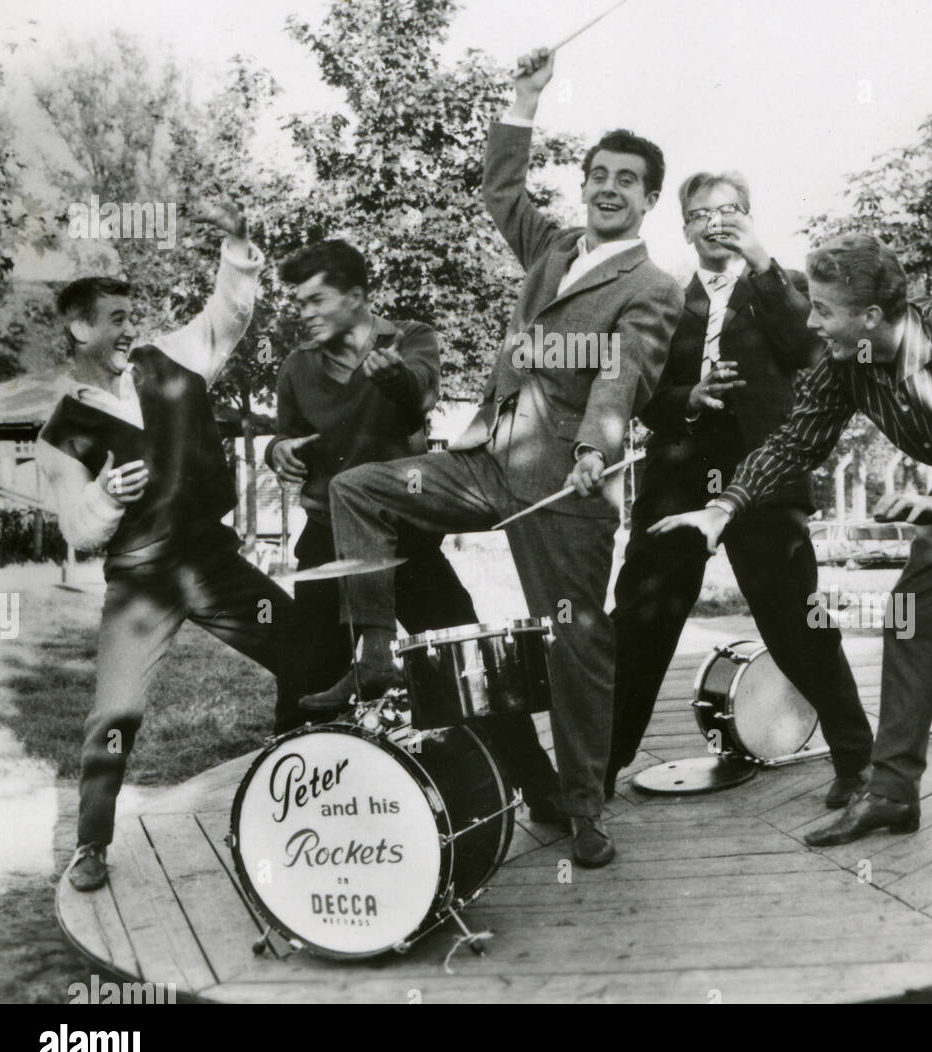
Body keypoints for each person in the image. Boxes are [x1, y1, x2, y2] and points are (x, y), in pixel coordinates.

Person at [316, 47, 684, 867]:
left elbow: (621, 379)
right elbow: (500, 189)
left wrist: (596, 450)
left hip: (564, 485)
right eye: (598, 174)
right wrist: (523, 98)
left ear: (649, 199)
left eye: (627, 179)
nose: (608, 188)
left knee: (574, 647)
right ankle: (374, 652)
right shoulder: (552, 248)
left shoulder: (652, 287)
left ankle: (585, 810)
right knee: (359, 490)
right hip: (486, 460)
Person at [651, 233, 932, 881]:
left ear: (870, 317)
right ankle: (891, 794)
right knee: (912, 615)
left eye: (823, 310)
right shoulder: (848, 361)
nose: (810, 321)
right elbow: (794, 441)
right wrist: (726, 506)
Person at [38, 201, 303, 893]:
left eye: (134, 316)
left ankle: (300, 794)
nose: (131, 330)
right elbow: (76, 529)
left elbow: (228, 318)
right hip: (141, 584)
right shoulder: (59, 431)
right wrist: (107, 499)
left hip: (212, 563)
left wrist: (239, 246)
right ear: (78, 328)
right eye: (116, 320)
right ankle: (91, 845)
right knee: (114, 717)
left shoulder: (172, 362)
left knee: (313, 652)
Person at [606, 174, 872, 802]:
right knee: (641, 619)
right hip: (678, 481)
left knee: (796, 622)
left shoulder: (787, 289)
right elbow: (642, 397)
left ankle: (857, 760)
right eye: (700, 213)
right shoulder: (662, 299)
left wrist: (762, 261)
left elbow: (813, 353)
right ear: (684, 228)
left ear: (750, 219)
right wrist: (688, 401)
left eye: (729, 211)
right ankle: (598, 769)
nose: (714, 222)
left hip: (765, 478)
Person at [269, 238, 559, 809]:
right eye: (298, 302)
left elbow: (420, 396)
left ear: (356, 298)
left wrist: (395, 377)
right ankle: (290, 813)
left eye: (315, 300)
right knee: (302, 682)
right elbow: (285, 434)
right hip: (327, 537)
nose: (303, 313)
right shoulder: (296, 367)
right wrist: (278, 449)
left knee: (468, 665)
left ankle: (541, 788)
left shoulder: (411, 337)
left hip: (403, 535)